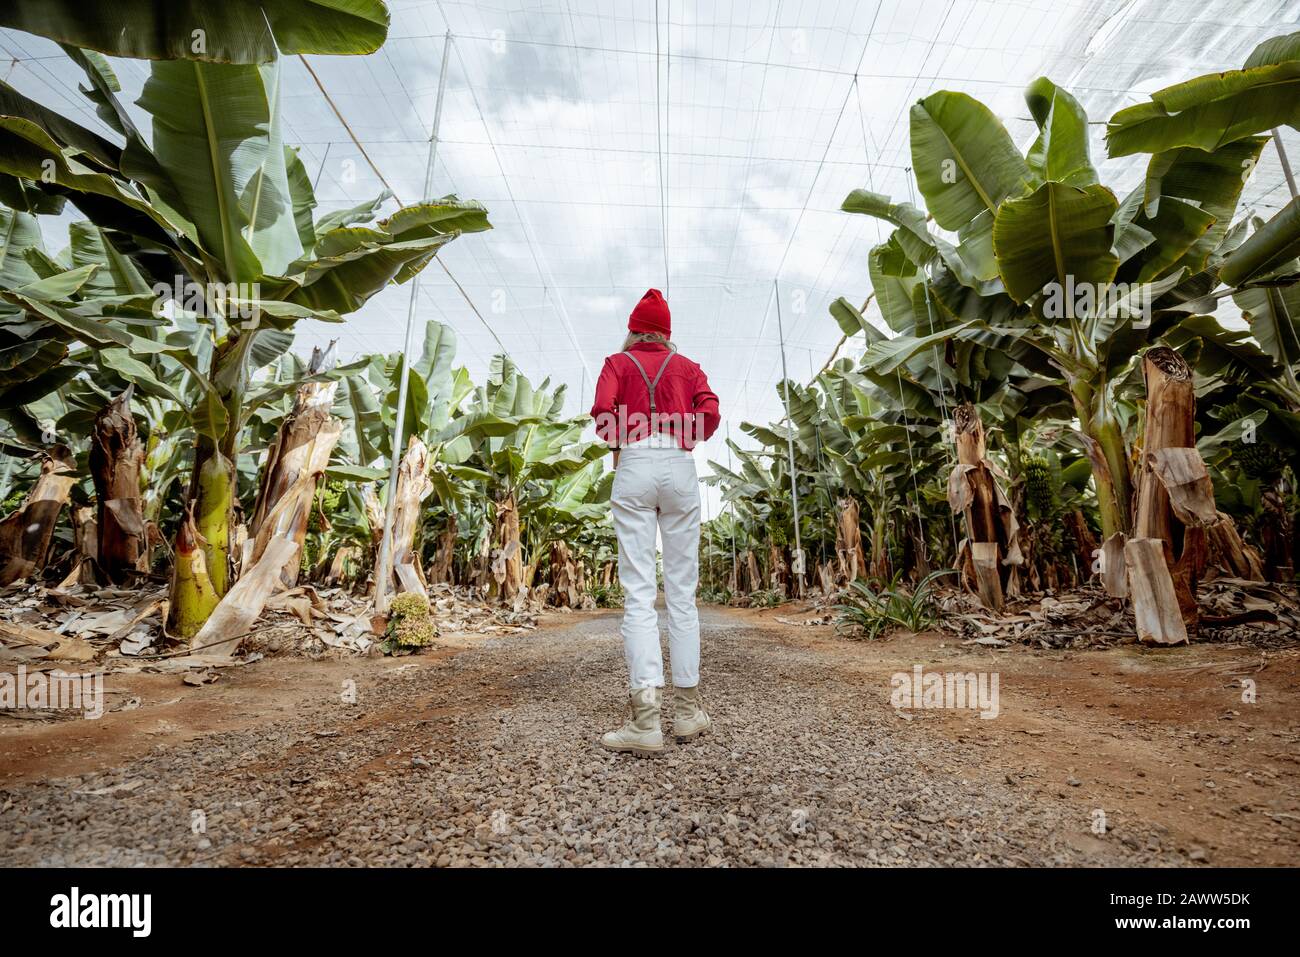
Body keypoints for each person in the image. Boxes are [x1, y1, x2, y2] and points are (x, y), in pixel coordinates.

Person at [589, 289, 721, 754]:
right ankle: (687, 713)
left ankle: (646, 721)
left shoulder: (616, 363)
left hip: (635, 467)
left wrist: (626, 437)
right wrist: (683, 432)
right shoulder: (688, 367)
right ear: (667, 332)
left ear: (633, 328)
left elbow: (603, 414)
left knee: (640, 594)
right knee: (682, 595)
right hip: (680, 469)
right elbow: (710, 414)